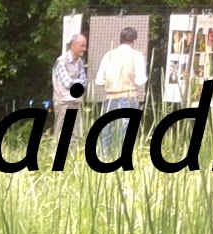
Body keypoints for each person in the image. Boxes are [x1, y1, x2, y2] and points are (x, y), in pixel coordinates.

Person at [93, 26, 148, 154]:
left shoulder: (109, 55)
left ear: (120, 39)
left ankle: (104, 159)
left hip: (110, 98)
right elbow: (141, 80)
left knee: (106, 132)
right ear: (134, 40)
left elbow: (98, 80)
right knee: (127, 134)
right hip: (129, 96)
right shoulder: (137, 55)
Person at [51, 33, 88, 142]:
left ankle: (69, 158)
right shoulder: (61, 61)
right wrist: (78, 82)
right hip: (63, 102)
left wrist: (76, 82)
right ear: (73, 46)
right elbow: (67, 83)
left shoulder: (80, 62)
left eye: (85, 46)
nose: (84, 49)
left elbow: (84, 82)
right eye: (82, 46)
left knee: (74, 135)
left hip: (75, 102)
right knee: (61, 134)